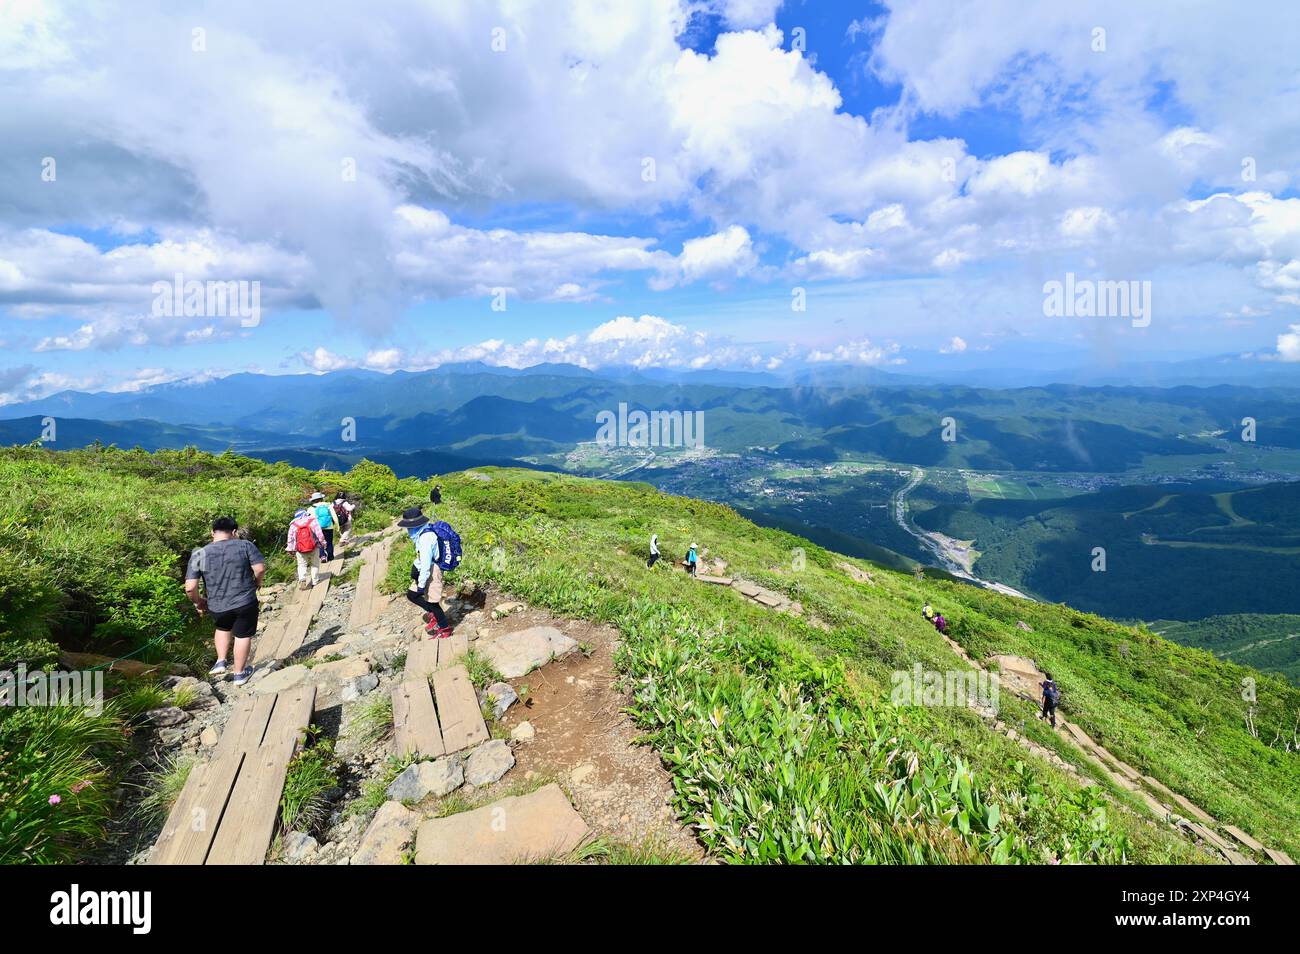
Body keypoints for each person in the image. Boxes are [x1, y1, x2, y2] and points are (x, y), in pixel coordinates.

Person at [185, 516, 265, 686]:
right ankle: (239, 674)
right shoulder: (245, 545)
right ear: (234, 532)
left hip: (217, 604)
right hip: (244, 600)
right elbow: (259, 568)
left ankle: (220, 661)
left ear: (212, 532)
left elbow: (190, 587)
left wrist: (198, 602)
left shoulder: (199, 553)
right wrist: (257, 582)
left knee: (222, 627)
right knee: (243, 635)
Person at [399, 506, 453, 638]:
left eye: (408, 527)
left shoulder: (425, 538)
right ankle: (435, 617)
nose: (408, 530)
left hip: (432, 571)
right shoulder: (423, 531)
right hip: (425, 570)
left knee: (432, 602)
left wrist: (421, 584)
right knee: (412, 594)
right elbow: (421, 558)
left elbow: (426, 563)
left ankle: (445, 629)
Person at [286, 507, 326, 589]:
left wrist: (290, 549)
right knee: (315, 564)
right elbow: (319, 534)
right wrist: (323, 543)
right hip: (314, 546)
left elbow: (290, 539)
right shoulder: (312, 521)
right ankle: (315, 581)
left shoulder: (293, 525)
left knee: (301, 565)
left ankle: (302, 579)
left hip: (300, 549)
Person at [308, 491, 340, 562]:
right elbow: (334, 516)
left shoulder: (311, 508)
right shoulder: (328, 505)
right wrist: (337, 525)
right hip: (329, 527)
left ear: (313, 500)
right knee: (329, 541)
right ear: (322, 498)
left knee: (319, 542)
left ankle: (322, 556)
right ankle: (330, 556)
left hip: (317, 528)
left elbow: (309, 520)